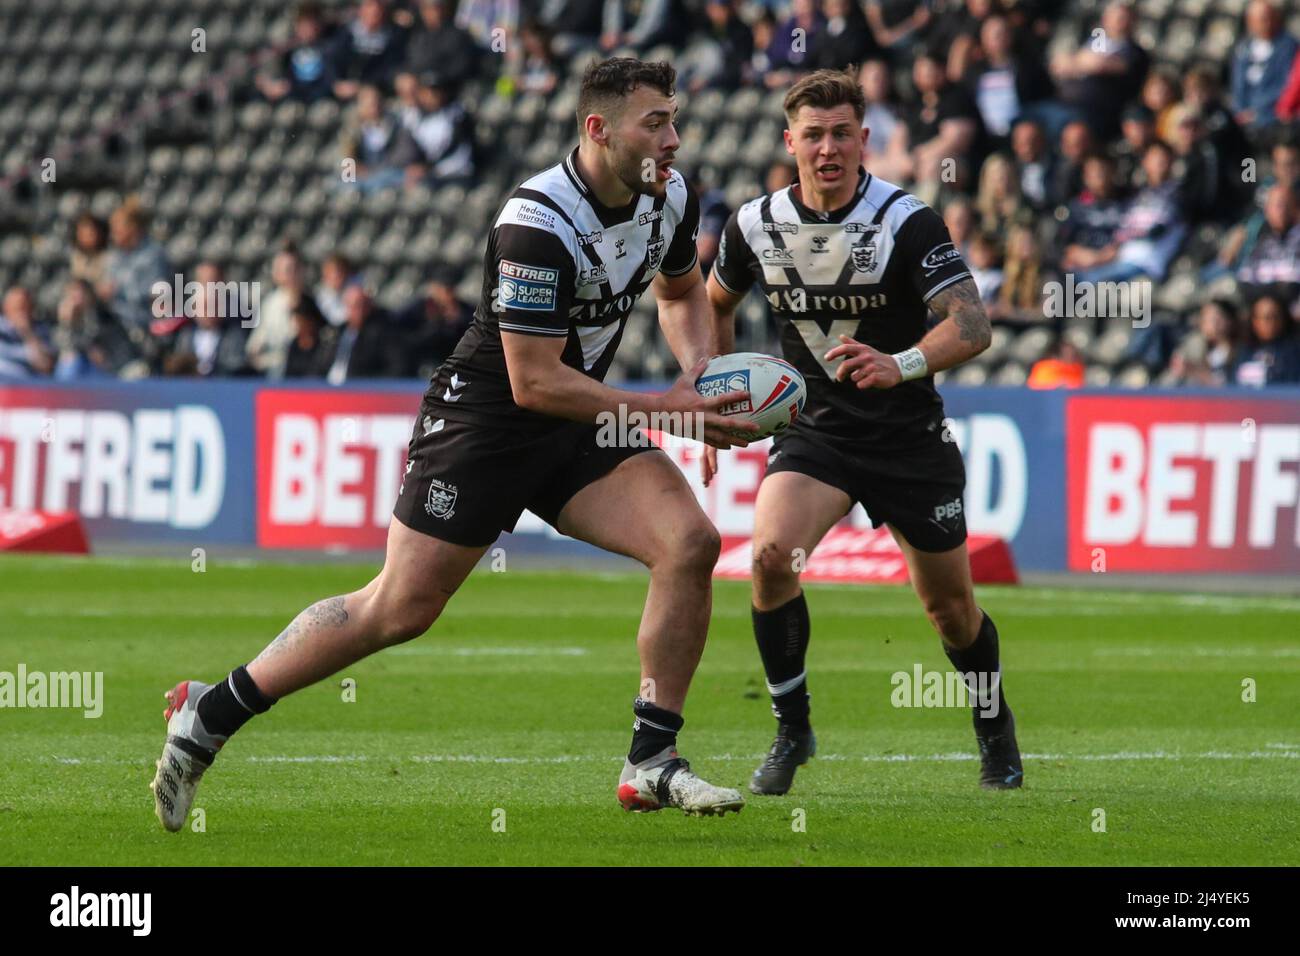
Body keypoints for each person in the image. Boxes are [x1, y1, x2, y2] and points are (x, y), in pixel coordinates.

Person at [151, 58, 755, 831]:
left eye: (674, 119)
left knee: (690, 542)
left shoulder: (669, 198)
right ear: (599, 130)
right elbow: (532, 381)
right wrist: (666, 412)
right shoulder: (536, 222)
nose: (672, 139)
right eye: (655, 123)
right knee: (398, 608)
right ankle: (210, 713)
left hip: (580, 416)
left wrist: (699, 377)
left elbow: (678, 293)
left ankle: (652, 759)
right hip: (487, 420)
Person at [705, 68, 1023, 796]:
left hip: (911, 442)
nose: (827, 148)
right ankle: (792, 728)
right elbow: (713, 297)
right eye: (812, 135)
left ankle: (992, 722)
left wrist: (902, 362)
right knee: (769, 558)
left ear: (864, 140)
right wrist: (719, 386)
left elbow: (973, 324)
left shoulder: (908, 221)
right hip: (817, 436)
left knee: (950, 610)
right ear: (790, 142)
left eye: (841, 133)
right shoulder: (753, 226)